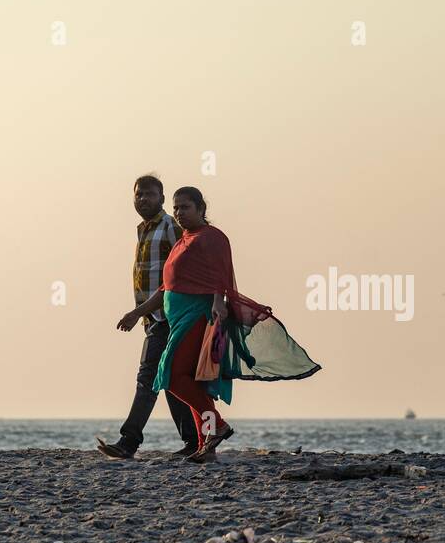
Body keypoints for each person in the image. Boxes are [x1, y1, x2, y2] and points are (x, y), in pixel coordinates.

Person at [133, 186, 321, 462]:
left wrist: (218, 303)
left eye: (185, 207)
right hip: (177, 318)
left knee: (171, 375)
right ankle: (206, 444)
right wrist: (137, 312)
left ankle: (217, 426)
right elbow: (166, 287)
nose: (179, 213)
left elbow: (220, 276)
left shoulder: (212, 238)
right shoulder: (183, 240)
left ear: (201, 209)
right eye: (175, 208)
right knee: (194, 382)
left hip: (199, 316)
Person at [96, 174, 199, 460]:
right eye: (139, 194)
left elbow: (182, 270)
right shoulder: (144, 229)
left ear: (162, 199)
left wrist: (139, 312)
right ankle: (193, 440)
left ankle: (129, 441)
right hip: (153, 317)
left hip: (169, 315)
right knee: (168, 378)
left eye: (150, 194)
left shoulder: (170, 227)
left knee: (148, 377)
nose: (143, 199)